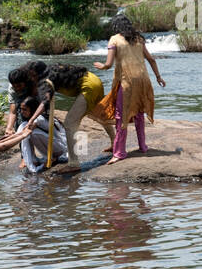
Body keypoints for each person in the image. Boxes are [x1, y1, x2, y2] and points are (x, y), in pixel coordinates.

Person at [94, 15, 165, 162]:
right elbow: (151, 59)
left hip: (127, 81)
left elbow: (108, 64)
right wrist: (158, 77)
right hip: (143, 80)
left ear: (116, 27)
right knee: (139, 113)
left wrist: (102, 66)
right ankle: (143, 146)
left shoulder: (114, 39)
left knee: (122, 116)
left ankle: (119, 153)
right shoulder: (138, 38)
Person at [47, 63, 116, 164]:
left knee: (69, 124)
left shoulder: (46, 80)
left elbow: (47, 100)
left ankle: (73, 163)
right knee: (100, 115)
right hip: (94, 79)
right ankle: (115, 143)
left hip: (89, 86)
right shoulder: (50, 73)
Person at [18, 96, 69, 173]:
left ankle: (48, 160)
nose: (22, 112)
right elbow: (19, 134)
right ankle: (34, 160)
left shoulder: (39, 119)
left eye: (25, 109)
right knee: (24, 129)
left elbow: (24, 134)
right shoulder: (27, 122)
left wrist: (4, 143)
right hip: (51, 149)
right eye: (21, 109)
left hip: (61, 150)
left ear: (32, 110)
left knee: (32, 133)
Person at [4, 61, 54, 136]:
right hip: (24, 100)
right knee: (21, 123)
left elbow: (43, 102)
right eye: (15, 86)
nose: (17, 88)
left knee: (40, 121)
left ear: (25, 81)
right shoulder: (12, 88)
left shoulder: (34, 81)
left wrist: (32, 120)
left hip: (36, 98)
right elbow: (13, 111)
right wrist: (9, 128)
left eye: (19, 86)